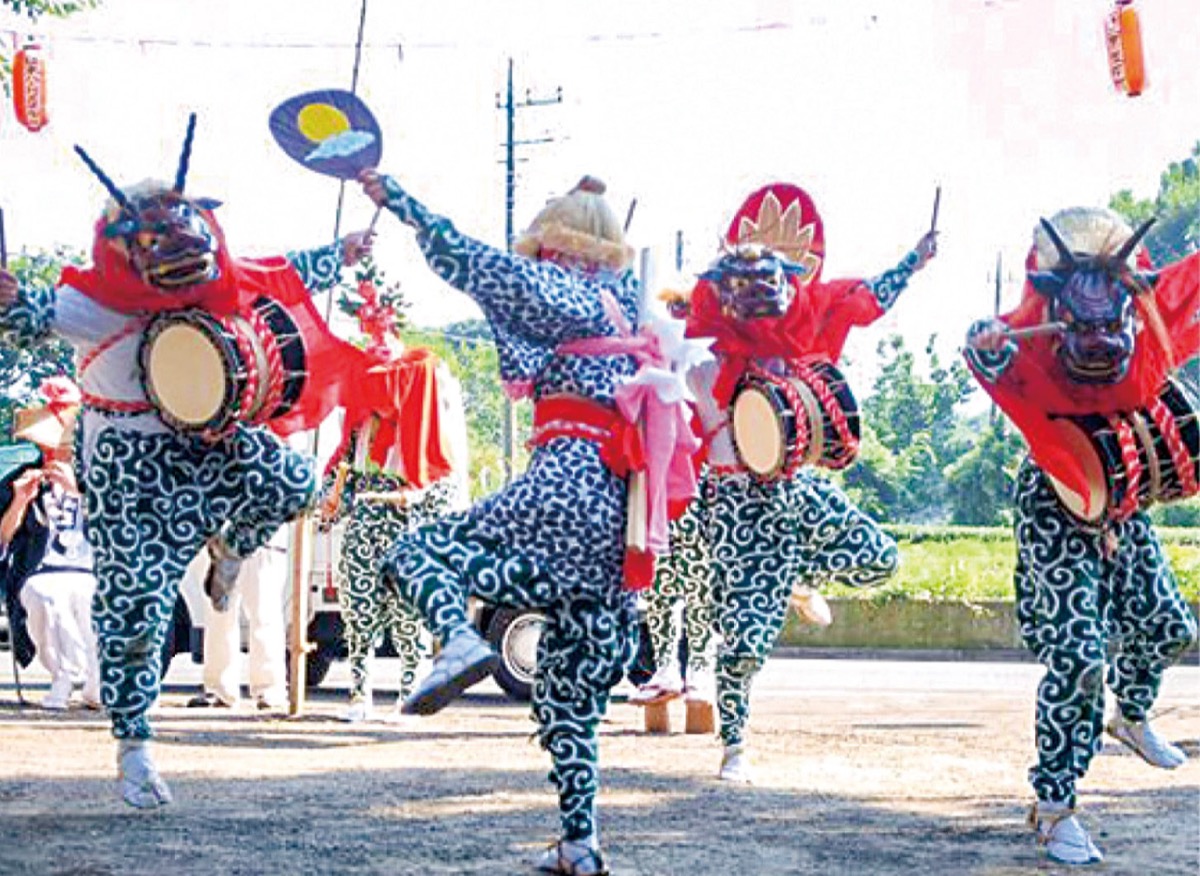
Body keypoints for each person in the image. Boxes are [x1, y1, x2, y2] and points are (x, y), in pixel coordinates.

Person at [0, 115, 373, 809]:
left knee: (294, 480)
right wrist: (12, 298)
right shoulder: (88, 303)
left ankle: (229, 548)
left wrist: (343, 251)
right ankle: (134, 744)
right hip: (125, 464)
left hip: (205, 439)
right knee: (135, 603)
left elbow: (282, 271)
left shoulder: (211, 287)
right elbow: (27, 311)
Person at [359, 168, 703, 875]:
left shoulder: (571, 296)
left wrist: (402, 201)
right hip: (620, 533)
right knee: (566, 692)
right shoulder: (636, 314)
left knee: (418, 551)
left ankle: (456, 640)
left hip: (564, 491)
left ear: (559, 244)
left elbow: (478, 267)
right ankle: (581, 845)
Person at [963, 206, 1198, 866]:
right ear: (1060, 318)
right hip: (1053, 501)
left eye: (1108, 325)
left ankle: (1131, 714)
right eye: (1084, 325)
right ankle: (1055, 807)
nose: (1098, 340)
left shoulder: (1150, 327)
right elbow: (986, 341)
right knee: (1078, 658)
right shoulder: (1029, 351)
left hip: (1121, 497)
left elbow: (1193, 280)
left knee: (1169, 629)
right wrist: (982, 336)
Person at [681, 183, 937, 783]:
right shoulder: (699, 357)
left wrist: (915, 260)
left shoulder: (798, 344)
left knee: (880, 558)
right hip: (735, 504)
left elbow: (865, 297)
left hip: (795, 490)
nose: (756, 296)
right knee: (743, 640)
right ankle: (735, 745)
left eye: (766, 285)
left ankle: (800, 577)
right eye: (741, 288)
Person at [0, 379, 100, 711]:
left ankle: (95, 682)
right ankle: (65, 675)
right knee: (46, 594)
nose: (57, 450)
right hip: (42, 569)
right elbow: (3, 539)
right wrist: (19, 502)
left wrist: (80, 493)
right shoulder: (24, 478)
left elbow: (119, 526)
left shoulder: (96, 479)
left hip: (90, 569)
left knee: (90, 596)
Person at [183, 538, 290, 712]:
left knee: (265, 615)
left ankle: (270, 690)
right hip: (224, 539)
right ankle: (220, 689)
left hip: (265, 538)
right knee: (219, 616)